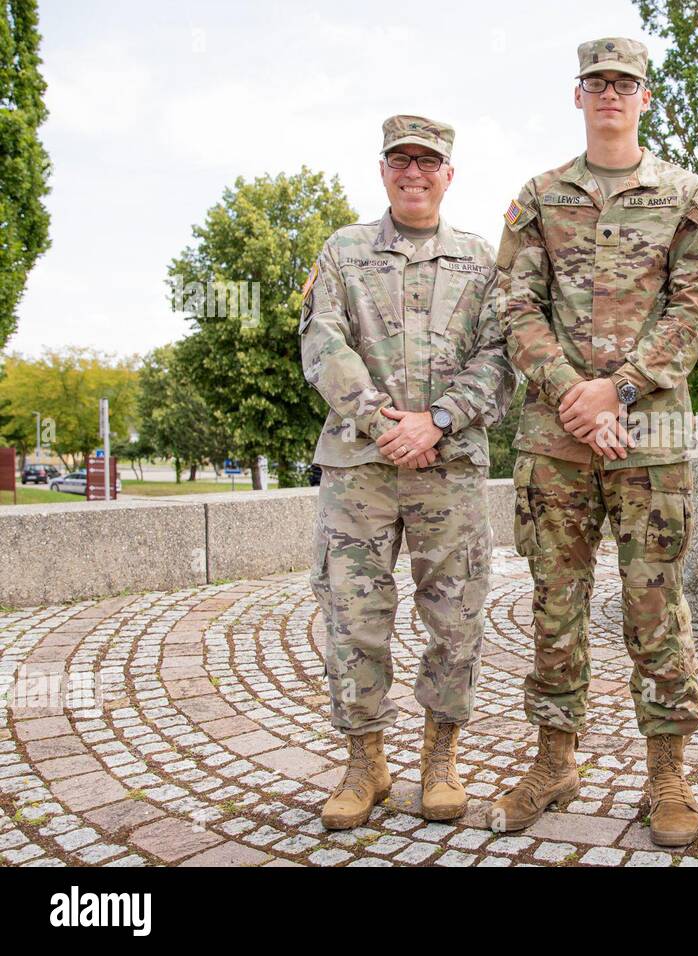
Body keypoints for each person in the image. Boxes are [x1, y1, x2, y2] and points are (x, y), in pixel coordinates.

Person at [489, 37, 698, 848]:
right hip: (554, 437)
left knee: (654, 603)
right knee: (555, 605)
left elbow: (697, 307)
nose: (610, 95)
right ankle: (555, 760)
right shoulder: (538, 196)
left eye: (625, 83)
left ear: (645, 98)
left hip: (651, 431)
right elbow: (514, 306)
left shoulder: (686, 196)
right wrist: (571, 396)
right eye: (597, 83)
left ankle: (667, 772)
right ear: (578, 95)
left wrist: (619, 388)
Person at [299, 114, 515, 830]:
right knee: (353, 618)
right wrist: (381, 421)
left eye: (429, 162)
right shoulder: (344, 250)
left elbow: (500, 357)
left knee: (454, 619)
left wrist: (440, 420)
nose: (414, 173)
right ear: (383, 169)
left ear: (449, 175)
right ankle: (365, 764)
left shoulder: (482, 262)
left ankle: (440, 758)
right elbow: (323, 341)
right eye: (401, 161)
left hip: (448, 469)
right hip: (360, 467)